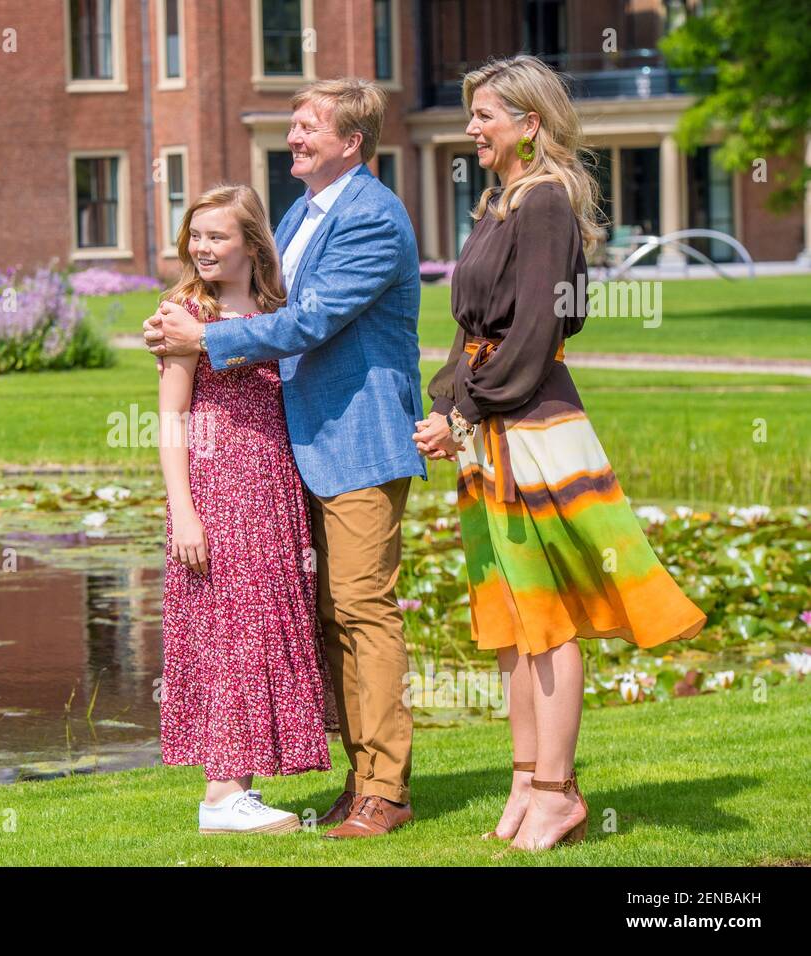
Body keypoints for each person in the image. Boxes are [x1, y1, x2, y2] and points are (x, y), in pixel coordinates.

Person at [413, 54, 707, 851]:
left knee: (548, 622)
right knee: (513, 620)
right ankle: (524, 779)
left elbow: (538, 332)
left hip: (532, 426)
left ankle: (557, 791)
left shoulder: (542, 204)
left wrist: (465, 410)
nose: (472, 127)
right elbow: (473, 330)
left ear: (529, 125)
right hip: (492, 424)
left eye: (486, 116)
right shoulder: (500, 203)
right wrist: (444, 404)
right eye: (471, 113)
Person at [147, 78, 426, 840]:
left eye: (308, 127)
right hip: (294, 450)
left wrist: (204, 339)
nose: (294, 137)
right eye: (294, 126)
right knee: (328, 616)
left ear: (351, 143)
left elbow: (310, 320)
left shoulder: (370, 217)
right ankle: (360, 779)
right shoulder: (305, 212)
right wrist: (194, 319)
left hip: (357, 441)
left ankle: (386, 790)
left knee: (364, 611)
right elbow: (257, 299)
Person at [157, 183, 335, 835]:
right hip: (216, 487)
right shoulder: (184, 311)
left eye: (217, 236)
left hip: (274, 488)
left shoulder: (275, 307)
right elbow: (171, 420)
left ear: (251, 244)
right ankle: (221, 794)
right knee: (229, 631)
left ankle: (241, 787)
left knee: (261, 629)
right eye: (195, 235)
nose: (202, 247)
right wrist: (185, 512)